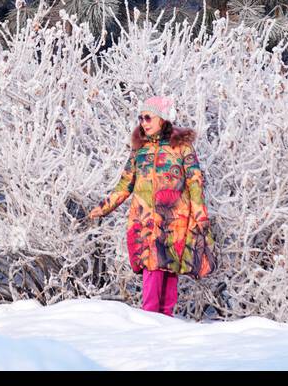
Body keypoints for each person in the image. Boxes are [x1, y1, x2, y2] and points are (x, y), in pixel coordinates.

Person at [88, 95, 216, 316]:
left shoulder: (182, 148)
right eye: (141, 118)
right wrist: (102, 208)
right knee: (152, 271)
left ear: (163, 119)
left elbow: (195, 182)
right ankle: (148, 325)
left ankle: (165, 327)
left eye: (148, 117)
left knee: (169, 275)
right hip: (146, 222)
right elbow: (125, 184)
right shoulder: (140, 150)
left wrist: (200, 214)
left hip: (175, 222)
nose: (143, 123)